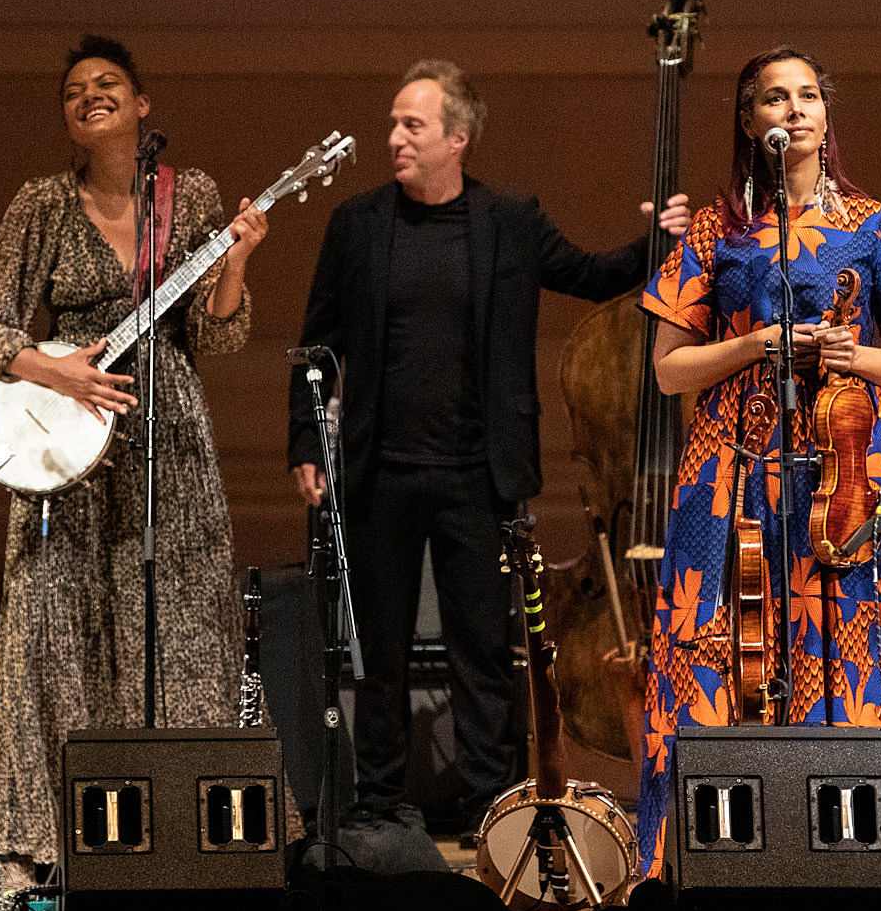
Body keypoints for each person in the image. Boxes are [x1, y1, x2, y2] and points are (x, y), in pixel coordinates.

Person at [288, 59, 689, 846]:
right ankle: (378, 805)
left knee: (482, 648)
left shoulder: (507, 220)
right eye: (394, 122)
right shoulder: (358, 224)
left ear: (457, 139)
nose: (394, 137)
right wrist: (307, 440)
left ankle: (486, 804)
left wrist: (658, 243)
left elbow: (592, 273)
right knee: (383, 652)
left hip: (480, 474)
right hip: (379, 474)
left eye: (413, 125)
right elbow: (316, 344)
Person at [0, 34, 287, 878]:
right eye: (73, 90)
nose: (88, 95)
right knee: (51, 624)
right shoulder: (40, 204)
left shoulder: (193, 195)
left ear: (143, 107)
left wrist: (236, 260)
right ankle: (37, 842)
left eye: (107, 84)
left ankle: (190, 829)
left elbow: (221, 329)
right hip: (64, 448)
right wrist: (53, 367)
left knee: (178, 623)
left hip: (167, 441)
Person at [637, 46, 881, 878]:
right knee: (721, 642)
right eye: (774, 99)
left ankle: (857, 858)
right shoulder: (715, 229)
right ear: (750, 122)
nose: (794, 110)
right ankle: (712, 857)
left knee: (851, 641)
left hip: (849, 465)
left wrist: (850, 357)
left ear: (825, 114)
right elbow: (670, 366)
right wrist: (755, 343)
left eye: (808, 95)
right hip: (733, 468)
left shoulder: (873, 224)